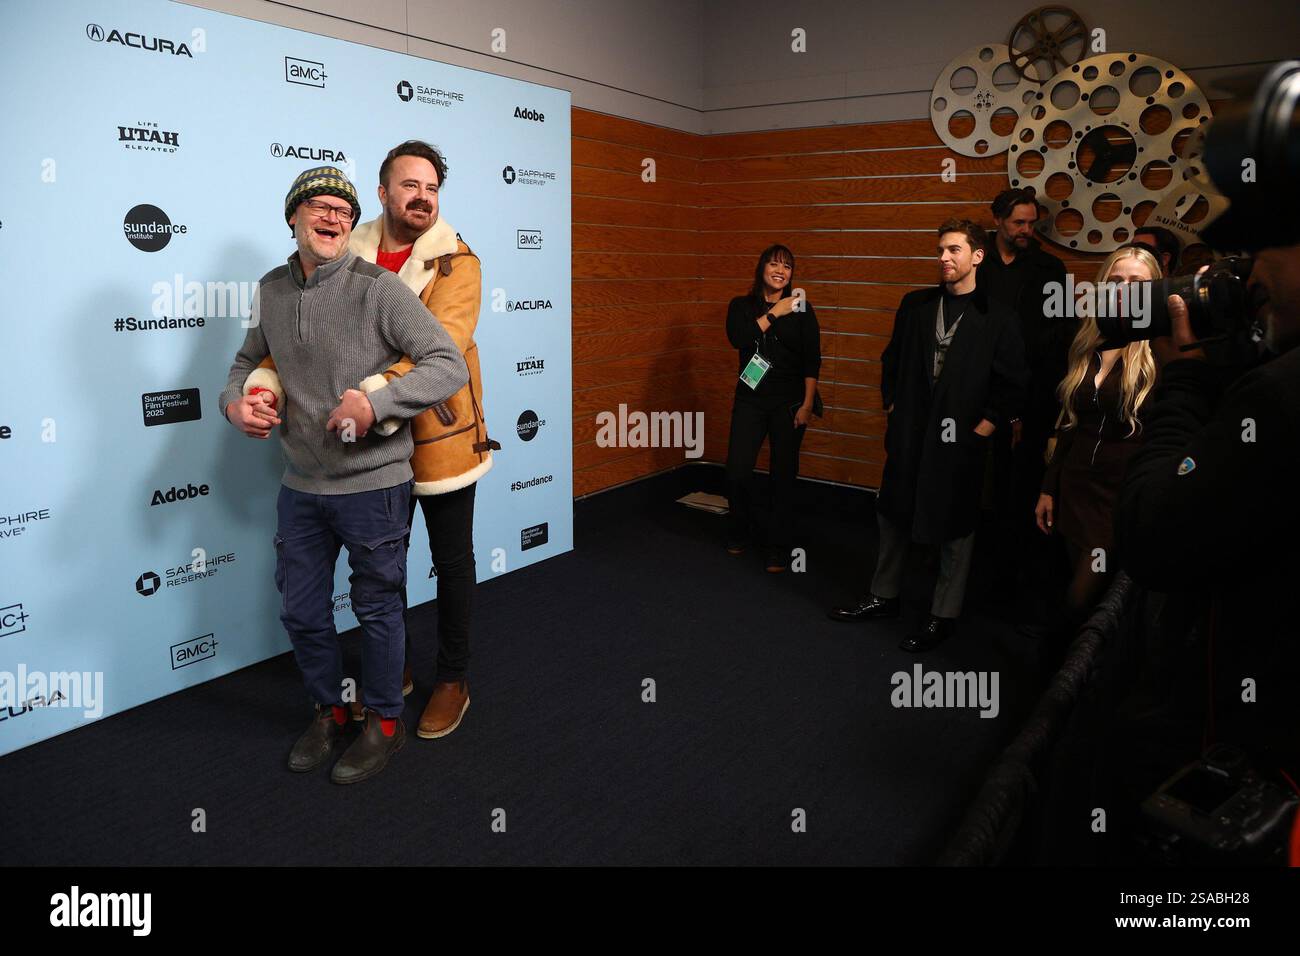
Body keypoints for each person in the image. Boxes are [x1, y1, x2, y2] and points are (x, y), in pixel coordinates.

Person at [220, 166, 468, 784]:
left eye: (342, 211)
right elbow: (249, 359)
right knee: (303, 611)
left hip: (374, 484)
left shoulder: (379, 289)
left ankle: (385, 721)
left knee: (378, 608)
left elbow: (446, 364)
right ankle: (331, 708)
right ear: (294, 217)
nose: (332, 218)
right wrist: (236, 401)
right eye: (319, 207)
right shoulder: (272, 288)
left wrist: (376, 403)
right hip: (301, 486)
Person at [829, 220, 1027, 651]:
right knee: (893, 513)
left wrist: (980, 432)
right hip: (909, 436)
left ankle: (943, 615)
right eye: (940, 249)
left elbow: (1012, 387)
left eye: (954, 250)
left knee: (957, 529)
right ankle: (883, 596)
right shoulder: (916, 305)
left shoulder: (999, 318)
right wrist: (893, 408)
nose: (943, 258)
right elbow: (891, 361)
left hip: (962, 443)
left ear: (977, 256)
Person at [1035, 246, 1160, 626]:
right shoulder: (1088, 340)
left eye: (1137, 282)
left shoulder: (1162, 350)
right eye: (1117, 281)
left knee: (1080, 603)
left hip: (1117, 499)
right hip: (1074, 486)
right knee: (1065, 587)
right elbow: (1070, 423)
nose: (1124, 289)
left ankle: (1065, 679)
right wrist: (1048, 487)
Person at [976, 188, 1071, 615]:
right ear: (998, 220)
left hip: (1032, 401)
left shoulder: (1051, 268)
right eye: (1018, 223)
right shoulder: (977, 262)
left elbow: (1062, 338)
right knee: (978, 485)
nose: (1026, 231)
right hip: (979, 395)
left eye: (1032, 223)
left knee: (1022, 488)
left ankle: (1013, 587)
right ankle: (972, 578)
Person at [723, 244, 821, 573]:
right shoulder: (741, 306)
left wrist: (807, 404)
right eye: (774, 264)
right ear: (761, 267)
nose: (780, 271)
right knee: (737, 470)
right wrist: (776, 312)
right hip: (750, 399)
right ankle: (740, 529)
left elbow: (812, 360)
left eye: (788, 267)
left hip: (790, 402)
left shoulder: (804, 309)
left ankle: (777, 546)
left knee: (783, 476)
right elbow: (740, 338)